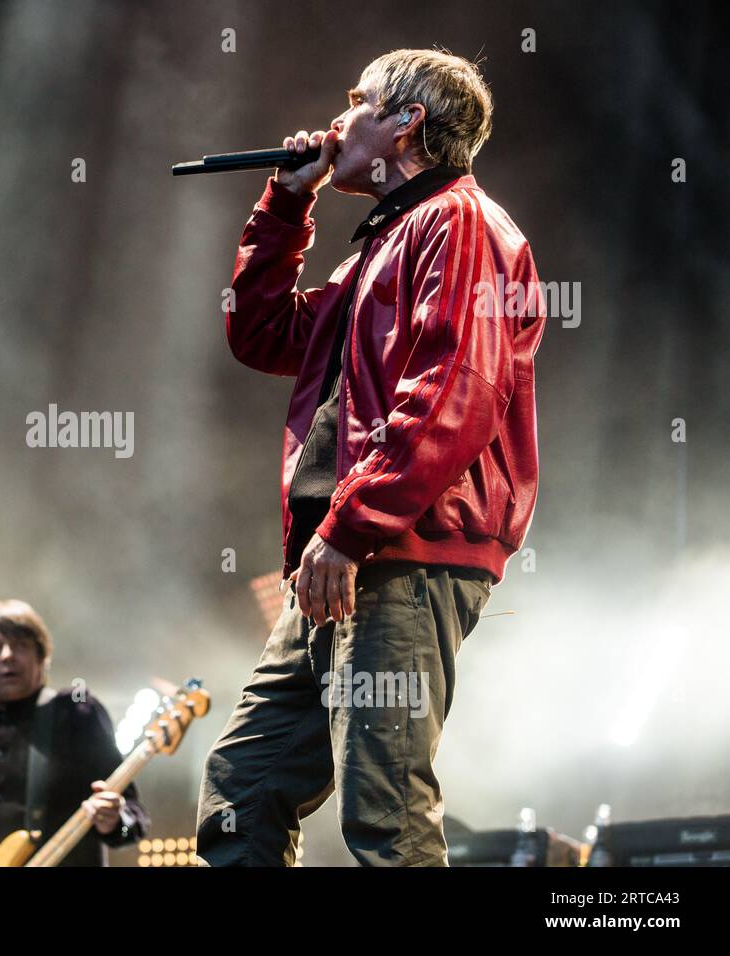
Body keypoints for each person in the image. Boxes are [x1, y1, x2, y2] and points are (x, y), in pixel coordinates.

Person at [196, 48, 545, 866]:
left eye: (358, 99)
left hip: (396, 548)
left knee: (384, 810)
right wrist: (286, 204)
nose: (337, 116)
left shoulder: (458, 224)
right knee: (244, 788)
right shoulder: (379, 249)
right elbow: (263, 334)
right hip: (341, 557)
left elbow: (456, 389)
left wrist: (351, 528)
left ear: (405, 122)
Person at [0, 598, 150, 866]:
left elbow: (133, 816)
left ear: (42, 657)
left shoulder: (77, 714)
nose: (7, 655)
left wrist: (116, 822)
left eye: (20, 645)